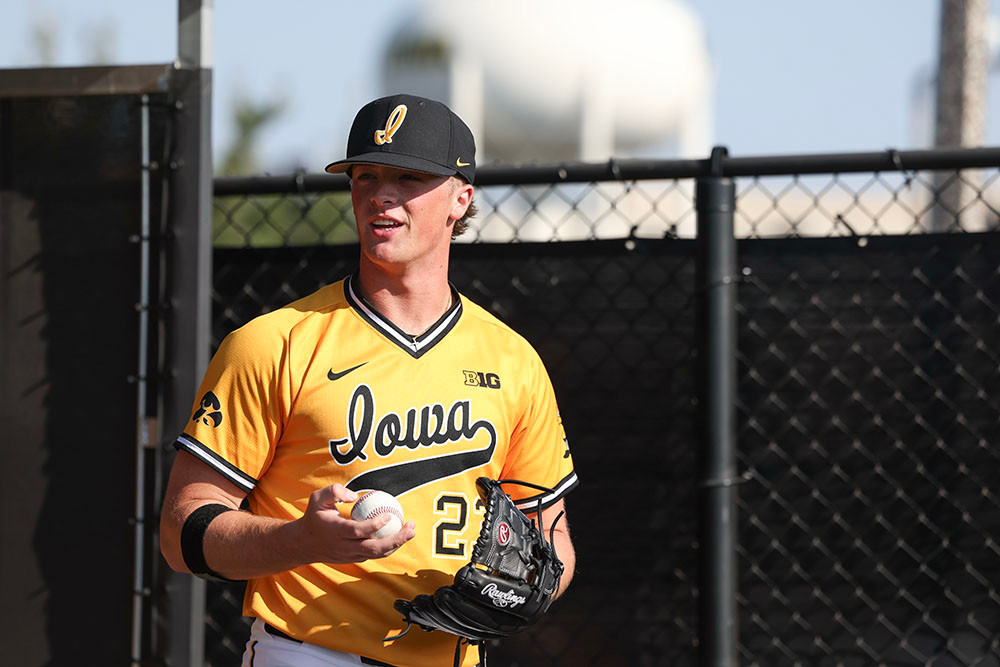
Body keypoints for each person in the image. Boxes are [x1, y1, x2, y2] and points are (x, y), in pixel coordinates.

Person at [159, 94, 578, 667]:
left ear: (462, 197)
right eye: (366, 175)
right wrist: (298, 540)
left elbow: (550, 535)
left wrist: (524, 591)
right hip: (309, 654)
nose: (382, 194)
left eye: (408, 176)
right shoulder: (275, 343)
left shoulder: (513, 360)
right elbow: (182, 528)